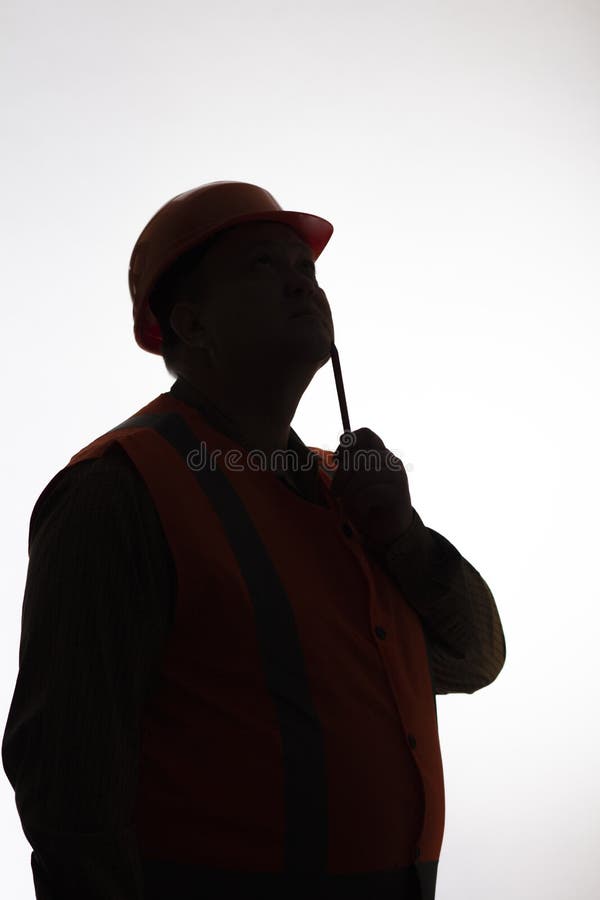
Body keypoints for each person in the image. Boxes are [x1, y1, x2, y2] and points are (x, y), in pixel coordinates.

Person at [2, 181, 506, 900]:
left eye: (308, 272)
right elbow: (68, 790)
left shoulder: (354, 496)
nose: (303, 285)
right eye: (265, 268)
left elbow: (476, 658)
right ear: (192, 322)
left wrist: (404, 534)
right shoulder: (119, 492)